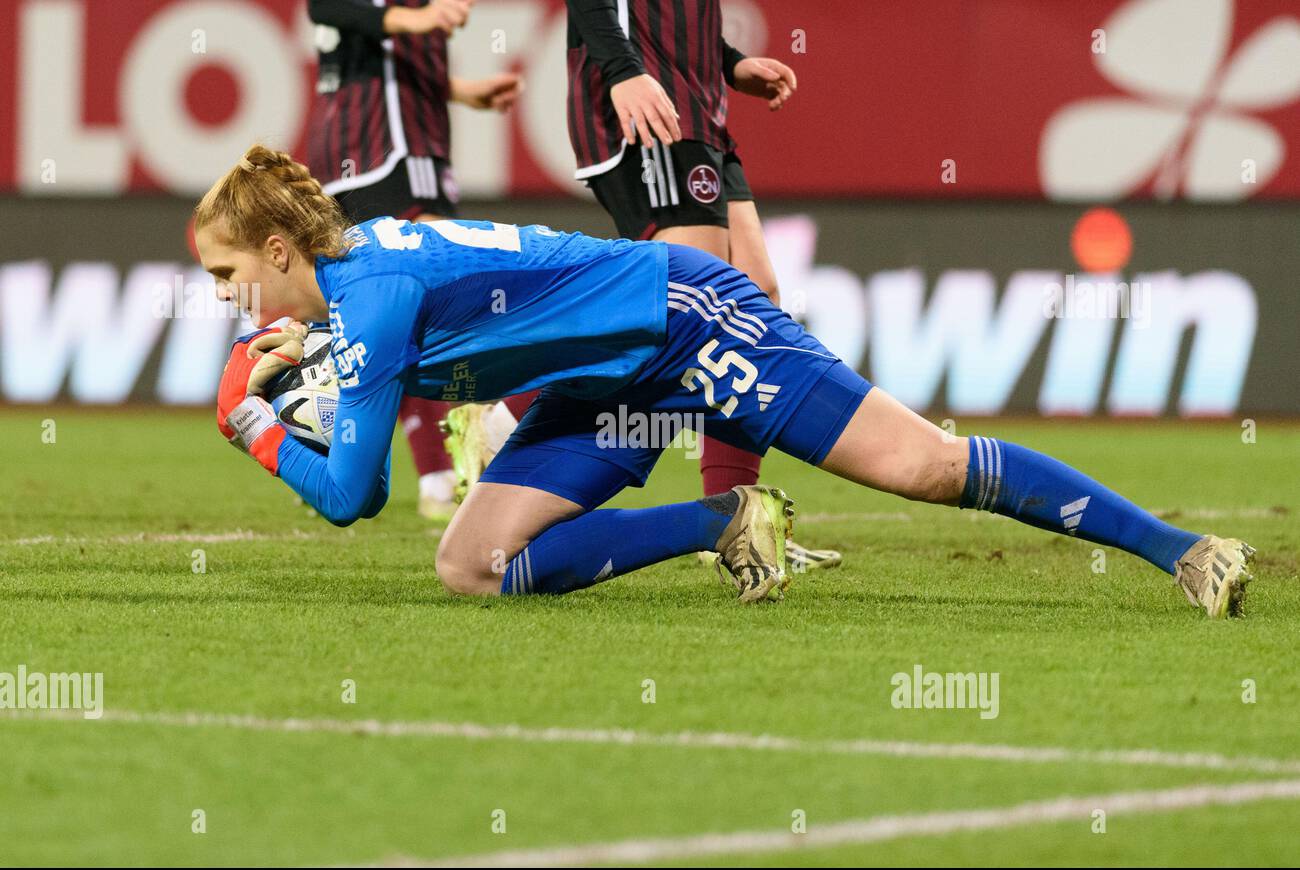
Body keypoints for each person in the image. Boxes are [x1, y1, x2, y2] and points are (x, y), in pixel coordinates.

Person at [197, 146, 1255, 617]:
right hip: (604, 377)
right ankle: (724, 519)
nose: (225, 297)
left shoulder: (370, 299)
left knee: (923, 466)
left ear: (281, 249)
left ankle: (1185, 553)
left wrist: (253, 426)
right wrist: (308, 357)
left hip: (685, 319)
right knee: (472, 566)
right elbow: (414, 327)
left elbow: (352, 496)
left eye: (228, 273)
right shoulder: (358, 274)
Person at [563, 0, 841, 574]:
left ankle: (737, 511)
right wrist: (622, 73)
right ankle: (504, 414)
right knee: (702, 317)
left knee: (754, 297)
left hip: (698, 108)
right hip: (647, 105)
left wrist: (731, 63)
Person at [304, 0, 527, 518]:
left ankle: (435, 475)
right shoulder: (409, 11)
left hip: (411, 146)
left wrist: (461, 90)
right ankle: (476, 440)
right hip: (377, 151)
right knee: (446, 291)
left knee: (404, 313)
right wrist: (417, 18)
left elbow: (384, 61)